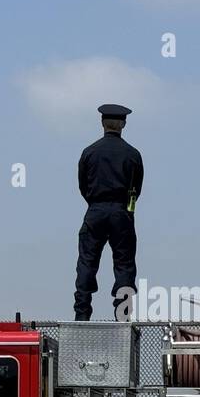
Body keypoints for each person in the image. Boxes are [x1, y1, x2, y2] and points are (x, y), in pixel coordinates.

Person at [74, 103, 143, 321]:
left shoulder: (89, 152)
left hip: (95, 210)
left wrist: (96, 202)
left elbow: (82, 186)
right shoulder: (133, 154)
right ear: (123, 124)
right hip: (122, 213)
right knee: (124, 265)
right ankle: (122, 316)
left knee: (87, 262)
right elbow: (137, 188)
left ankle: (82, 315)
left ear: (102, 123)